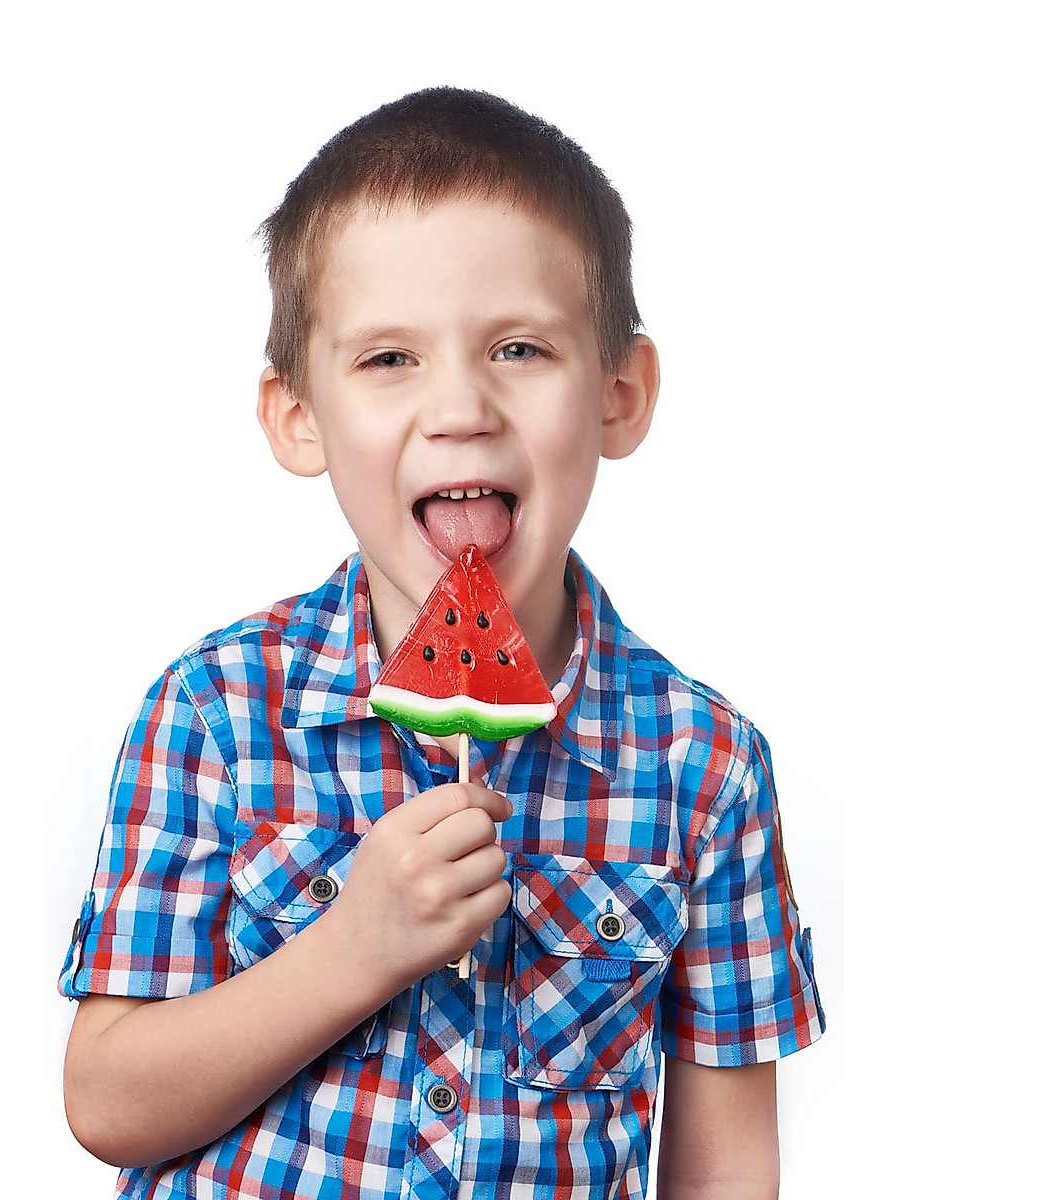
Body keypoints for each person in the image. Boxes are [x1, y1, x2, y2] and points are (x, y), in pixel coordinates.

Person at [58, 85, 825, 1199]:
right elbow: (106, 1103)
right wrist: (353, 948)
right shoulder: (217, 711)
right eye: (388, 360)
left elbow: (727, 1167)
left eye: (519, 347)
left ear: (621, 395)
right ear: (297, 417)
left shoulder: (705, 769)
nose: (461, 406)